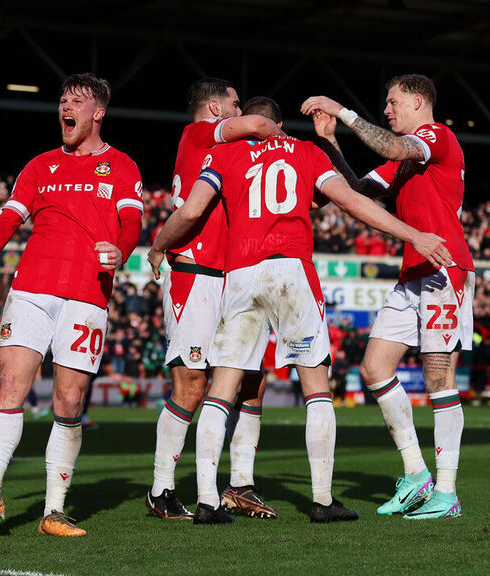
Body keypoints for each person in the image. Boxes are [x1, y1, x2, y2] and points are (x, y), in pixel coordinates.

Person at [149, 96, 451, 524]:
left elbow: (193, 209)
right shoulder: (305, 151)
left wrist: (158, 245)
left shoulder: (224, 154)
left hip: (241, 274)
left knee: (223, 388)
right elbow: (353, 202)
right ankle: (322, 501)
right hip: (292, 272)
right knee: (316, 388)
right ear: (280, 124)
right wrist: (414, 235)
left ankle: (207, 501)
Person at [0, 73, 143, 537]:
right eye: (62, 101)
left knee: (69, 400)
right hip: (31, 289)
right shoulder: (40, 166)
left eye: (76, 101)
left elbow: (131, 223)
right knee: (10, 385)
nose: (65, 108)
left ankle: (53, 511)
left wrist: (121, 251)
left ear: (98, 112)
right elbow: (8, 218)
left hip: (88, 294)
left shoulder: (121, 166)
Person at [301, 73, 475, 519]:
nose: (386, 109)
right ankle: (417, 475)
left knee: (438, 379)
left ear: (417, 101)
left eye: (393, 102)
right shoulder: (404, 162)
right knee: (374, 368)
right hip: (412, 271)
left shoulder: (436, 136)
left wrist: (341, 109)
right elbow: (356, 193)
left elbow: (395, 147)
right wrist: (331, 142)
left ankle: (448, 493)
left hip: (444, 268)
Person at [146, 78, 284, 521]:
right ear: (214, 108)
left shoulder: (228, 155)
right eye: (234, 104)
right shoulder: (199, 133)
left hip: (233, 275)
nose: (240, 112)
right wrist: (280, 135)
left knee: (250, 380)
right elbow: (259, 123)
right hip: (196, 272)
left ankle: (240, 484)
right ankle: (161, 489)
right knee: (191, 383)